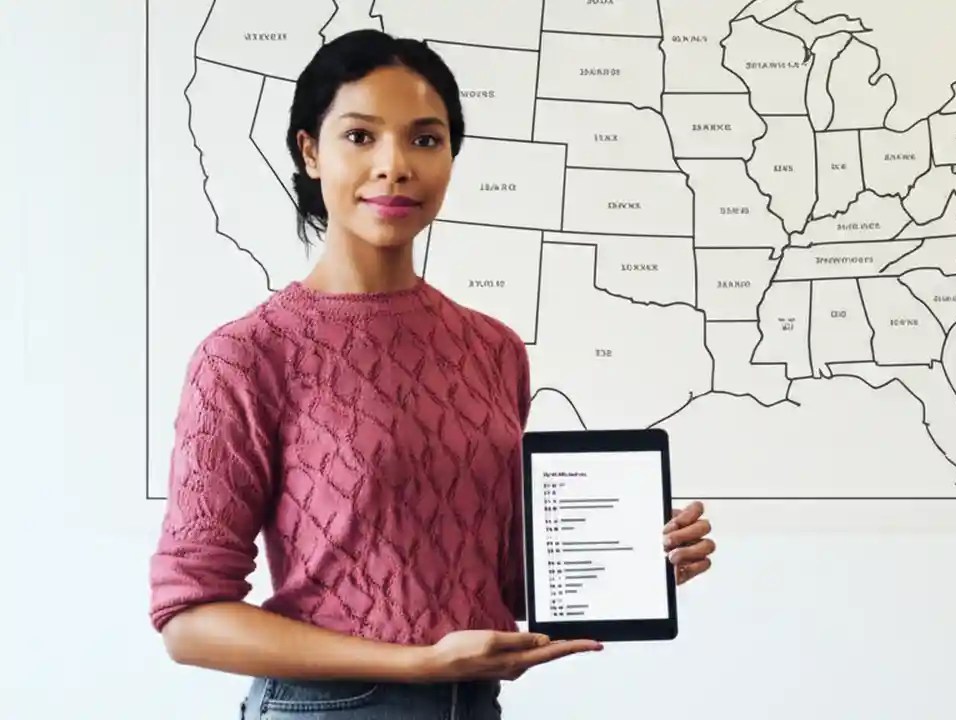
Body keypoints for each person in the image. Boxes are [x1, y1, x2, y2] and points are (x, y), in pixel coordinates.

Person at [148, 28, 716, 719]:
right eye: (360, 137)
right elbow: (188, 619)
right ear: (309, 152)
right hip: (326, 710)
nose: (395, 166)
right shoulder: (244, 357)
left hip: (473, 704)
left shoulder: (492, 348)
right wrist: (416, 663)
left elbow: (498, 580)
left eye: (425, 139)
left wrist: (638, 561)